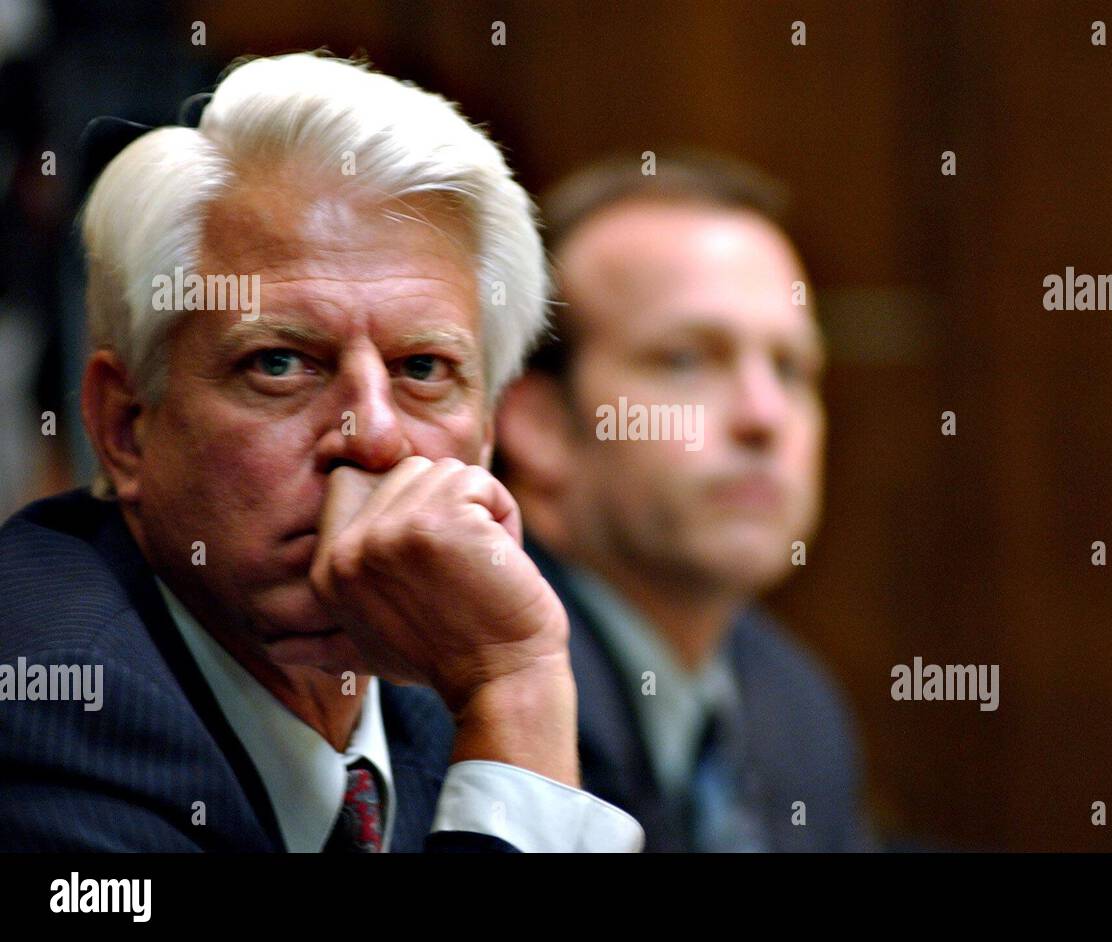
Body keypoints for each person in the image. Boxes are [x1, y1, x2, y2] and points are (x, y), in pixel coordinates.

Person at [0, 53, 642, 853]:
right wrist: (511, 698)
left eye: (422, 370)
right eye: (279, 363)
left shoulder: (492, 659)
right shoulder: (46, 706)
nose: (375, 436)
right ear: (127, 427)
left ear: (484, 437)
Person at [493, 154, 876, 851]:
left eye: (791, 368)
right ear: (541, 426)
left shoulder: (794, 704)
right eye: (685, 359)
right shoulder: (470, 693)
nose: (763, 416)